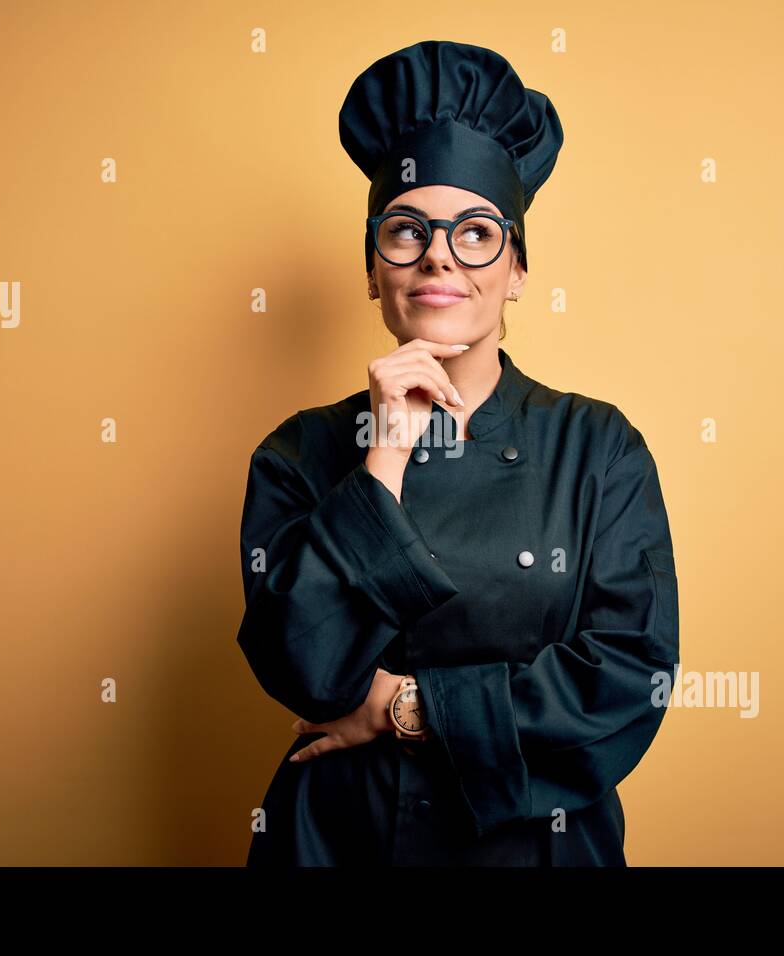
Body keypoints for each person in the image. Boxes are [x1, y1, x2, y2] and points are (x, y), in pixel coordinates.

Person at [235, 40, 680, 866]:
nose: (438, 254)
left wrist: (410, 708)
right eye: (407, 231)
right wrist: (386, 457)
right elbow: (300, 665)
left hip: (536, 845)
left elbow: (628, 679)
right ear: (374, 269)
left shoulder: (599, 447)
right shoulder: (300, 451)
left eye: (475, 231)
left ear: (516, 269)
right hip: (338, 840)